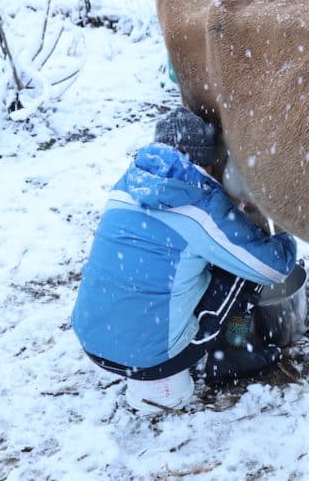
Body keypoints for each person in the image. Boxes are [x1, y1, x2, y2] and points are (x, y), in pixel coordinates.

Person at [72, 107, 297, 414]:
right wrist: (284, 233)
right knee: (245, 273)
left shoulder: (124, 188)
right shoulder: (198, 206)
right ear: (205, 162)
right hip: (153, 359)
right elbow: (272, 267)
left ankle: (152, 346)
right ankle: (231, 357)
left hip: (93, 343)